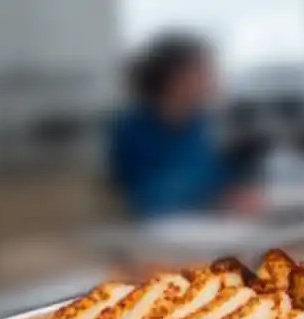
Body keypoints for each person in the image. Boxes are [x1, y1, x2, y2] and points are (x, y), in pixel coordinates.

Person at [108, 33, 259, 219]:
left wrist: (238, 192)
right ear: (174, 79)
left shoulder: (201, 124)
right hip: (158, 234)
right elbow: (147, 199)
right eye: (203, 72)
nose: (213, 80)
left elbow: (220, 178)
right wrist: (215, 198)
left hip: (209, 226)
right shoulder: (132, 130)